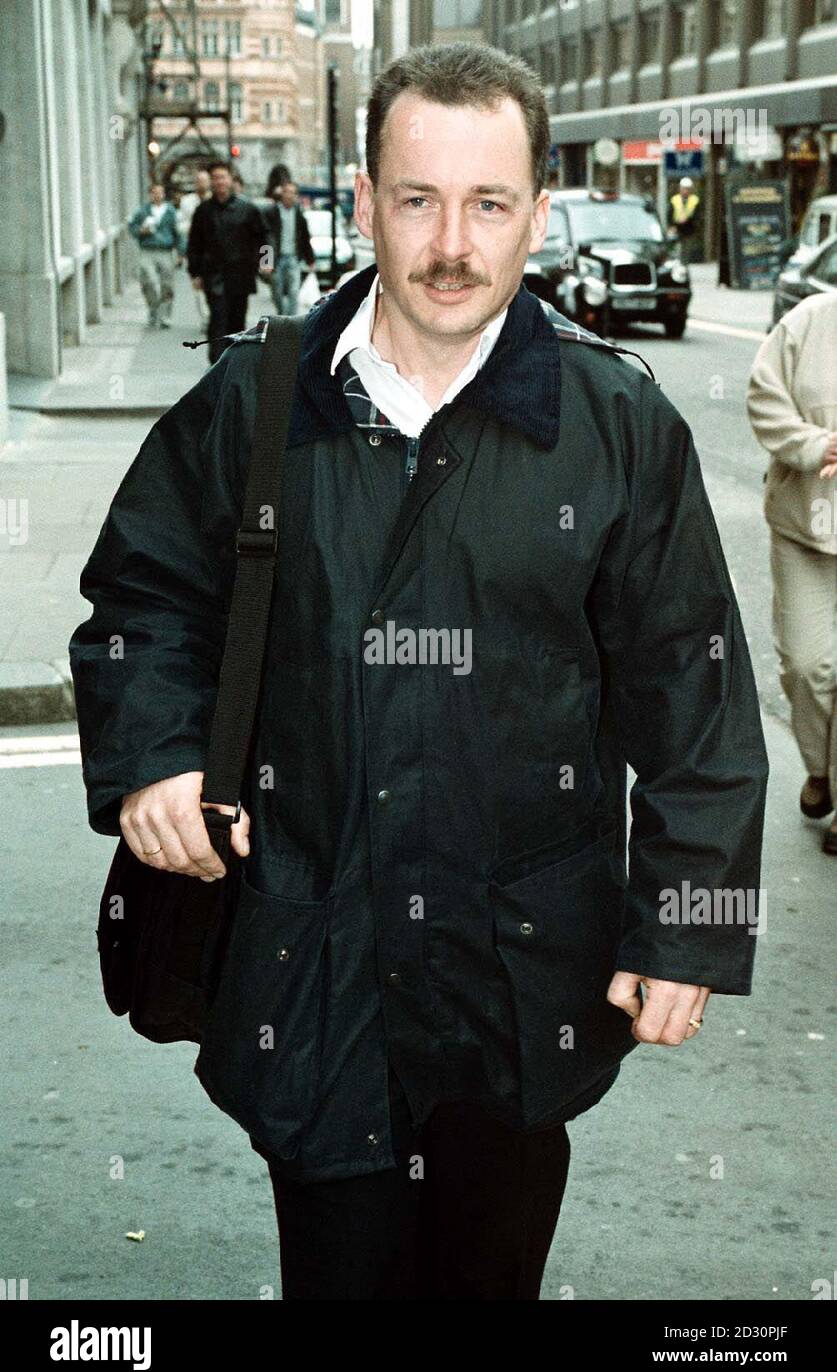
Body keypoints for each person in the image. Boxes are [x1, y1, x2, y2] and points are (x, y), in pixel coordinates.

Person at [69, 42, 768, 1301]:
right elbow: (146, 599)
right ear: (367, 193)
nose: (454, 242)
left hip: (519, 974)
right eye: (419, 198)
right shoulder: (256, 401)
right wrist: (155, 757)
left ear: (536, 213)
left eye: (489, 203)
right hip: (313, 949)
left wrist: (691, 925)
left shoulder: (616, 425)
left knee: (485, 1279)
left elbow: (693, 686)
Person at [746, 292, 837, 855]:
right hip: (805, 525)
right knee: (806, 664)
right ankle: (819, 767)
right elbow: (764, 398)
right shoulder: (808, 321)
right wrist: (815, 445)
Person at [186, 160, 265, 362]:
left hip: (241, 274)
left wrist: (266, 262)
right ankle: (216, 364)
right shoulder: (203, 211)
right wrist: (194, 272)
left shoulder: (247, 209)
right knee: (217, 319)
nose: (219, 181)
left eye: (222, 177)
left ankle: (234, 364)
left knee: (237, 321)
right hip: (214, 275)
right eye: (215, 178)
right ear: (211, 182)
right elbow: (194, 243)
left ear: (230, 180)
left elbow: (265, 237)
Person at [128, 182, 184, 329]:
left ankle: (165, 316)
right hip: (148, 250)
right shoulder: (143, 211)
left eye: (160, 192)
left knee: (167, 284)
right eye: (154, 192)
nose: (157, 195)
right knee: (149, 282)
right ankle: (153, 310)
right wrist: (141, 231)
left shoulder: (170, 211)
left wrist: (180, 252)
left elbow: (177, 232)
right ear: (150, 194)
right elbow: (132, 227)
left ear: (164, 194)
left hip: (165, 250)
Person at [262, 180, 316, 315]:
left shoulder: (299, 214)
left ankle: (290, 321)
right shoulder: (271, 212)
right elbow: (265, 238)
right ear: (282, 193)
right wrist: (265, 261)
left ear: (296, 195)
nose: (289, 195)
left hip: (293, 258)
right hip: (276, 259)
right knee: (277, 292)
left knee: (293, 292)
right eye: (286, 192)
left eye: (292, 193)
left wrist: (310, 260)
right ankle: (281, 315)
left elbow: (304, 238)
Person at [176, 168, 212, 330]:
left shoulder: (215, 200)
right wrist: (191, 227)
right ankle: (205, 319)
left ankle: (214, 316)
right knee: (198, 285)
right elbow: (180, 224)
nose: (202, 184)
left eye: (204, 181)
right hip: (196, 249)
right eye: (199, 181)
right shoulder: (187, 201)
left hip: (213, 250)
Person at [669, 176, 701, 263]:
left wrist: (689, 221)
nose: (685, 191)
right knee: (677, 249)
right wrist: (672, 226)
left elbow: (697, 216)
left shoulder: (695, 200)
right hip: (677, 229)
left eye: (687, 189)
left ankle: (684, 265)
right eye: (683, 188)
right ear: (680, 188)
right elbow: (670, 214)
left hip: (689, 229)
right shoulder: (674, 199)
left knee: (687, 250)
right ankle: (678, 264)